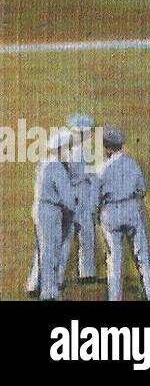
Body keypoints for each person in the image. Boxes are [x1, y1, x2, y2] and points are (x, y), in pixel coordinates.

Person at [96, 124, 150, 301]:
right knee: (142, 256)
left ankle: (114, 298)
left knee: (114, 259)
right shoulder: (133, 164)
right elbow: (142, 189)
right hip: (131, 208)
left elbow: (96, 197)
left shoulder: (102, 169)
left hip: (110, 213)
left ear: (107, 147)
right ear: (121, 144)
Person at [27, 128, 77, 300]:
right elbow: (68, 198)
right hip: (51, 211)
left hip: (40, 208)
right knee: (51, 250)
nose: (70, 151)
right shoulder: (57, 167)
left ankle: (34, 284)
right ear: (60, 148)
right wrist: (75, 208)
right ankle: (48, 292)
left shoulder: (44, 163)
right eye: (67, 148)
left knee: (42, 249)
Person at [61, 112, 98, 285]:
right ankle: (86, 272)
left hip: (71, 194)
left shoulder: (68, 153)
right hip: (82, 193)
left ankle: (59, 274)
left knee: (67, 236)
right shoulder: (84, 153)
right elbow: (93, 177)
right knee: (85, 234)